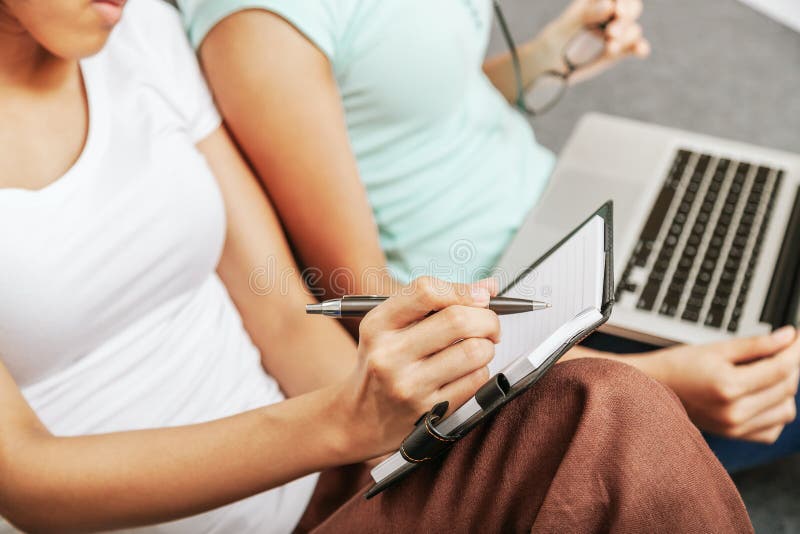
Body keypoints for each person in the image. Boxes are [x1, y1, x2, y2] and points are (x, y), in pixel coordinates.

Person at [0, 0, 753, 532]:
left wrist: (405, 436)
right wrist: (345, 423)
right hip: (298, 455)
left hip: (326, 467)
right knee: (614, 418)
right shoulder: (248, 27)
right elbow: (26, 484)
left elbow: (279, 311)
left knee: (593, 417)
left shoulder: (139, 36)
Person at [181, 0, 800, 470]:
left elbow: (421, 113)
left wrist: (551, 52)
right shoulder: (256, 25)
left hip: (573, 216)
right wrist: (661, 384)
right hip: (509, 320)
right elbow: (365, 294)